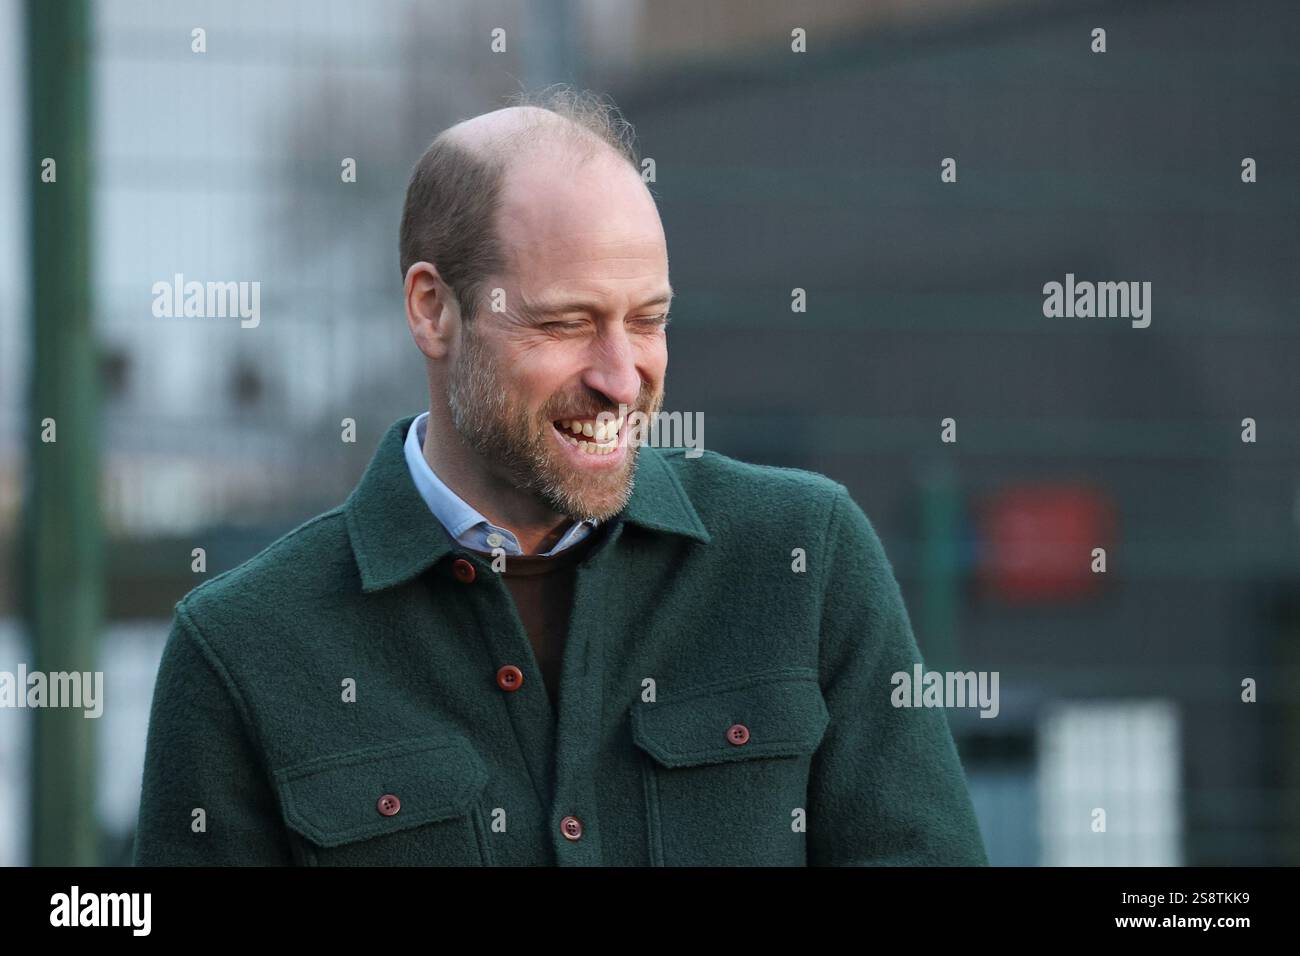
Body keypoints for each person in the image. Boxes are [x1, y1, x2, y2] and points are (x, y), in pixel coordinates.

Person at [133, 88, 988, 866]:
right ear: (433, 310)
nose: (621, 377)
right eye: (567, 323)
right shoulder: (243, 650)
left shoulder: (803, 560)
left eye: (647, 321)